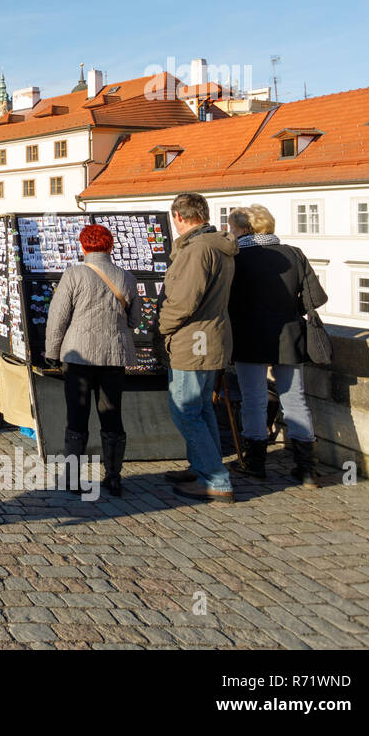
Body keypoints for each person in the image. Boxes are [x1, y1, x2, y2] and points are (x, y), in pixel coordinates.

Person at [227, 205, 327, 487]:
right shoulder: (294, 254)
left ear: (245, 229)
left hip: (249, 335)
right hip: (289, 335)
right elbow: (315, 299)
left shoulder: (238, 258)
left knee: (254, 400)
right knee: (295, 399)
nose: (231, 233)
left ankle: (255, 463)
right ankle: (307, 469)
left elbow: (229, 301)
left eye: (233, 228)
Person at [43, 224, 139, 497]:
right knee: (111, 415)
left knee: (77, 415)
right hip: (114, 355)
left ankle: (73, 477)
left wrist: (52, 352)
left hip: (79, 355)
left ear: (83, 247)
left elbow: (58, 318)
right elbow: (135, 320)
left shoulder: (74, 275)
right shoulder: (126, 277)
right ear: (110, 246)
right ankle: (114, 476)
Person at [158, 192, 238, 503]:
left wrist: (161, 327)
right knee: (202, 409)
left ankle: (216, 479)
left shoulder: (197, 250)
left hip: (193, 341)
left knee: (185, 411)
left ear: (178, 216)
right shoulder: (218, 246)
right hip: (211, 338)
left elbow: (183, 301)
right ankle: (203, 468)